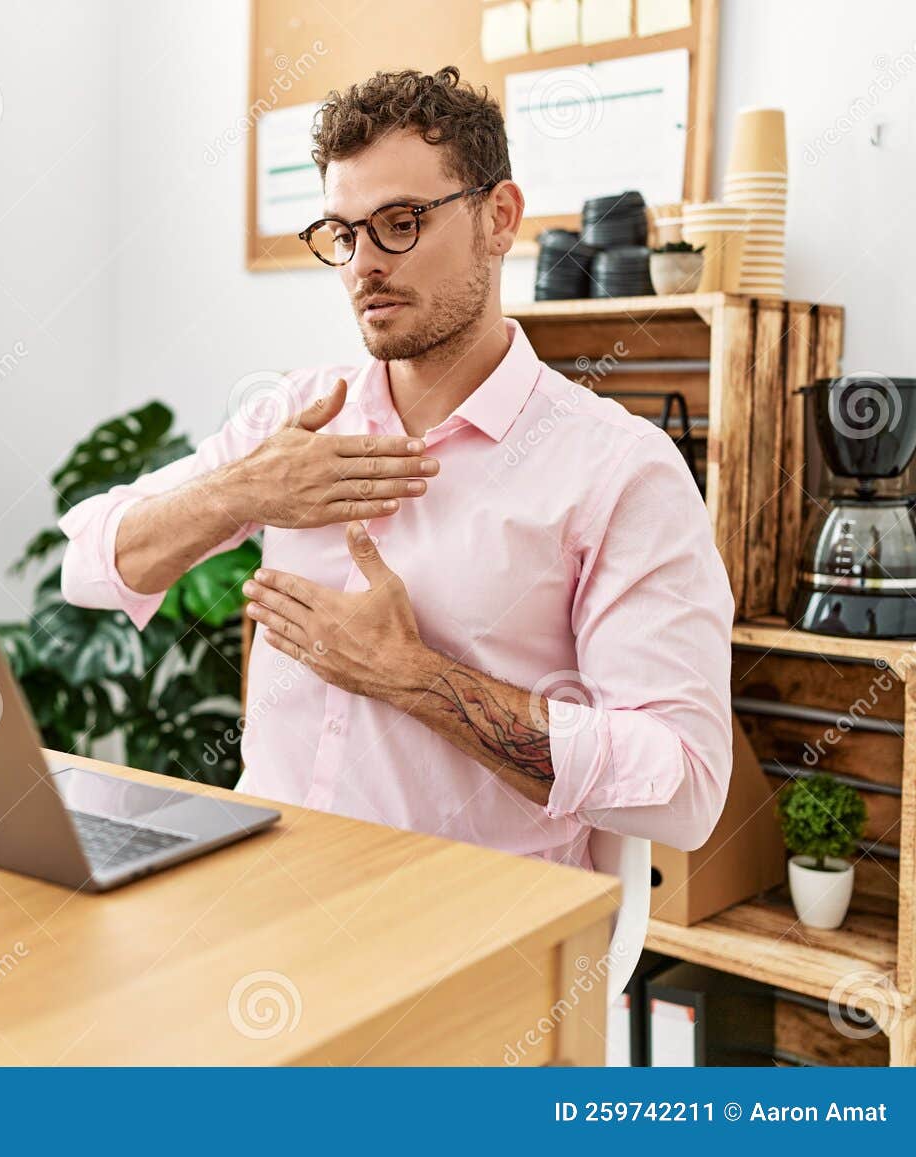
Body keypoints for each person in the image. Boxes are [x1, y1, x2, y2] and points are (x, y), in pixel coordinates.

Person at [57, 67, 733, 867]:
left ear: (498, 217)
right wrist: (246, 489)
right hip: (262, 891)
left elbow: (685, 789)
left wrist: (412, 678)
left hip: (466, 934)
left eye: (401, 222)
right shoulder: (301, 415)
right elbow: (92, 564)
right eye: (343, 234)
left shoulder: (619, 470)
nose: (363, 265)